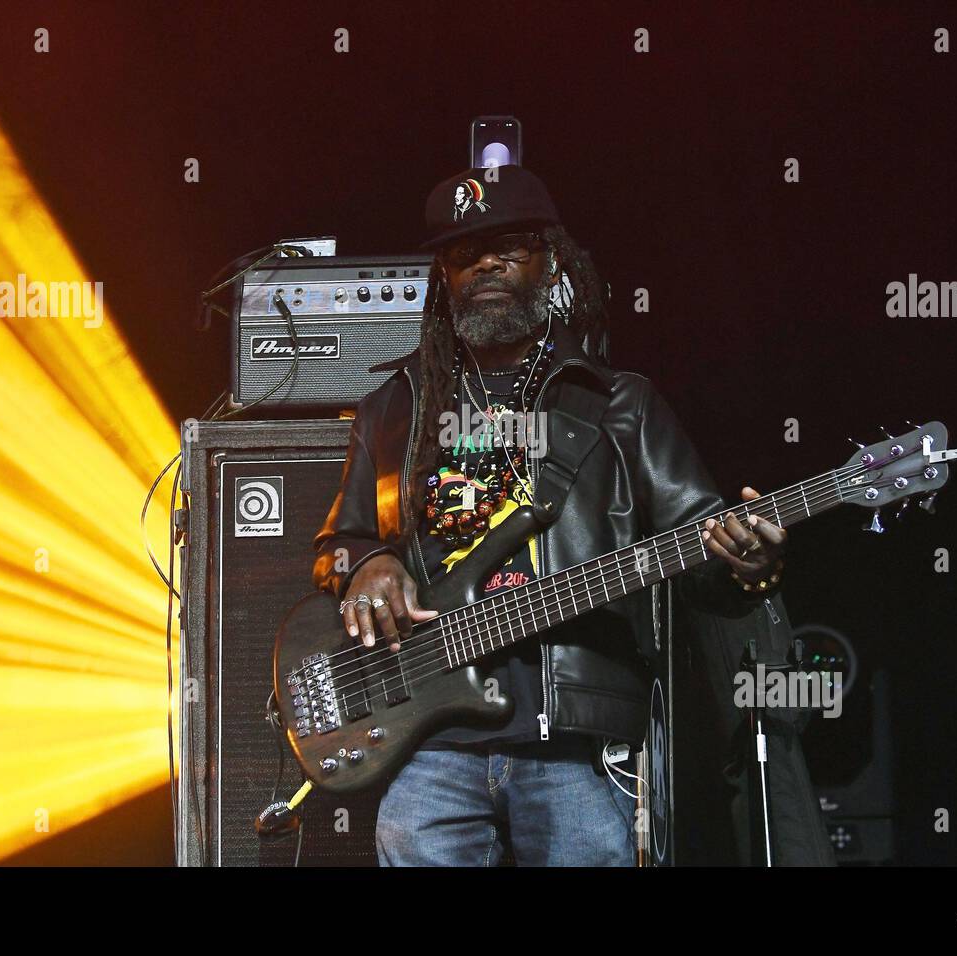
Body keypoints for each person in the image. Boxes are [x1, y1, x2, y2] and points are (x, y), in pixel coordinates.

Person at [312, 165, 787, 866]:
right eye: (463, 251)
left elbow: (702, 554)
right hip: (432, 739)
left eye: (509, 244)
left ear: (552, 259)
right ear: (444, 273)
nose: (486, 262)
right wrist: (368, 564)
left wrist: (750, 566)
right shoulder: (397, 407)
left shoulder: (621, 403)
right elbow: (337, 545)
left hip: (575, 743)